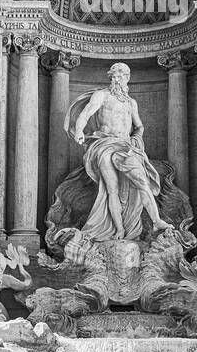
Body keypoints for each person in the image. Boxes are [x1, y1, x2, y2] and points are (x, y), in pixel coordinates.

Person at [68, 62, 171, 242]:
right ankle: (119, 229)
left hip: (125, 147)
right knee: (112, 189)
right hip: (105, 144)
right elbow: (85, 114)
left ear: (127, 78)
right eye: (114, 76)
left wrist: (136, 139)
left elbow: (139, 126)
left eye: (120, 76)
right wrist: (78, 131)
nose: (116, 80)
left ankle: (156, 220)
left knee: (141, 180)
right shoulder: (102, 96)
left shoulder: (131, 103)